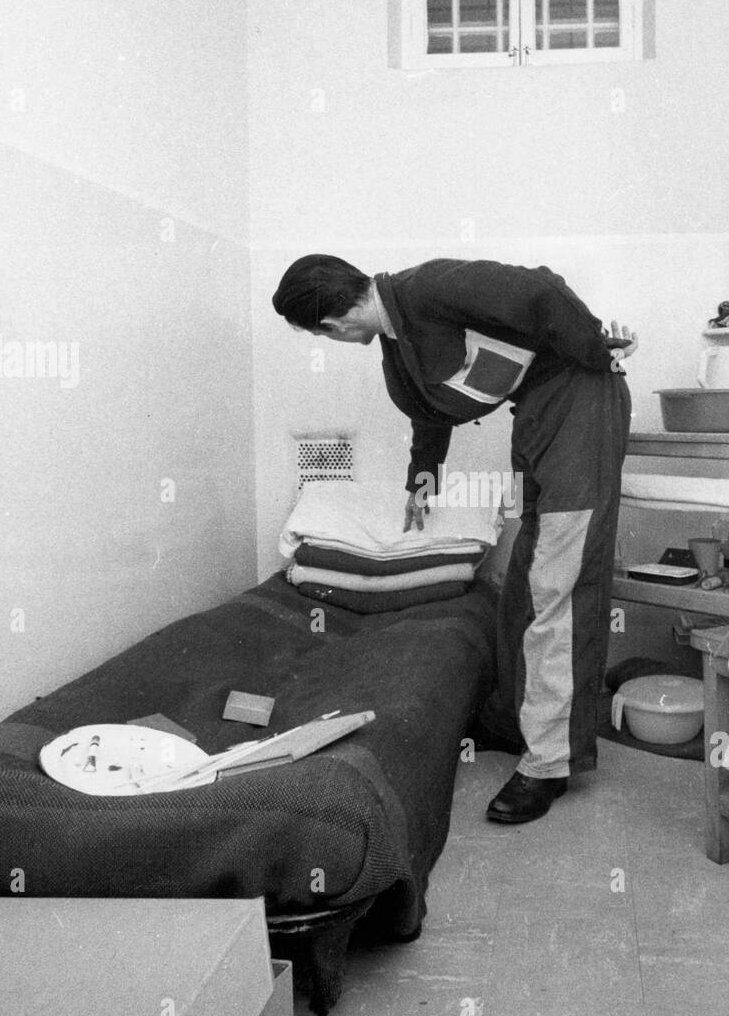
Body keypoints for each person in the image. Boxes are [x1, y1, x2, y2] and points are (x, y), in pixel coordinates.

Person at [273, 254, 637, 825]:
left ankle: (549, 763)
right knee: (525, 581)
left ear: (332, 324)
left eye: (319, 333)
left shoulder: (429, 288)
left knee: (558, 586)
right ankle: (517, 721)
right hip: (539, 415)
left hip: (582, 403)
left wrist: (600, 350)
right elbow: (430, 416)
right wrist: (424, 482)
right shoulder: (398, 345)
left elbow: (540, 290)